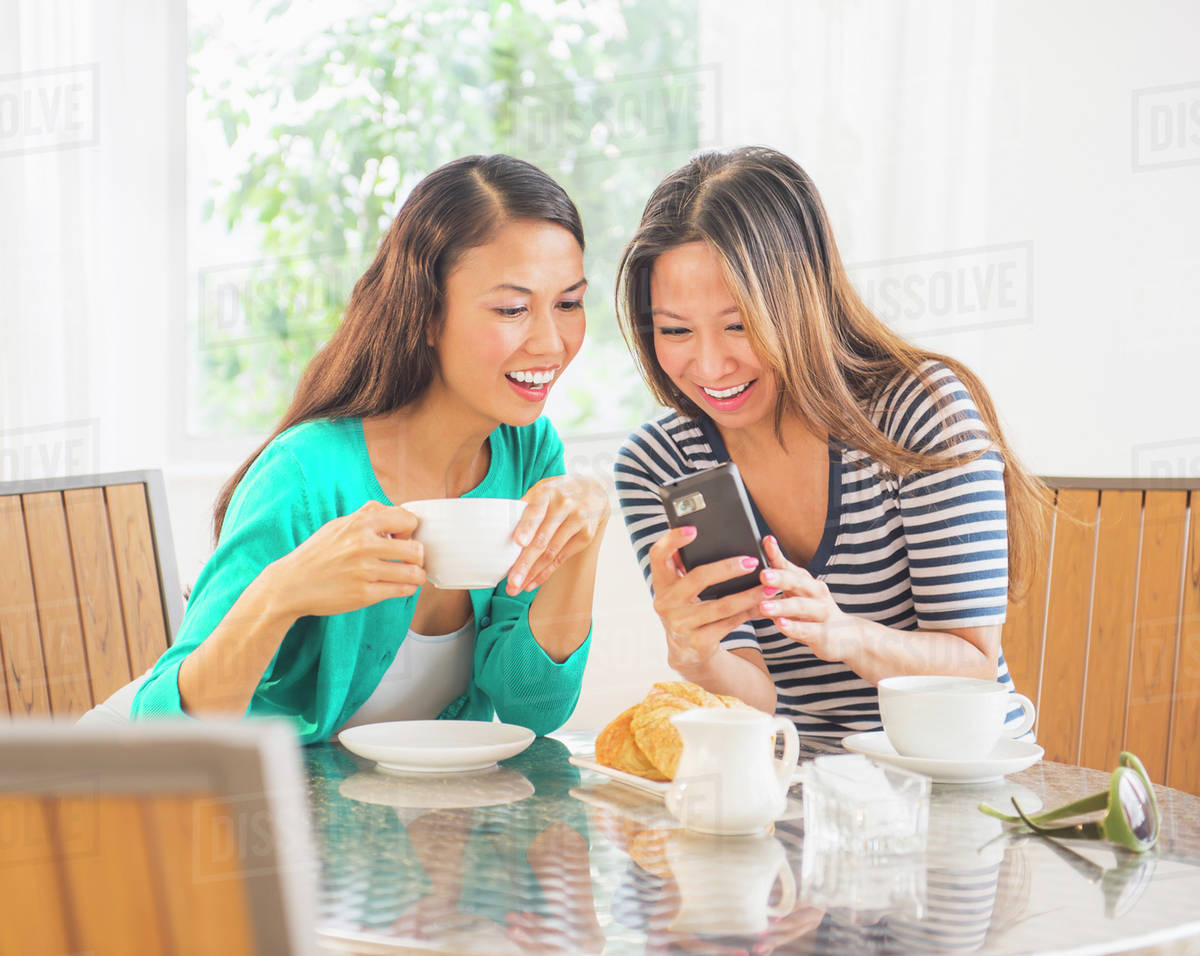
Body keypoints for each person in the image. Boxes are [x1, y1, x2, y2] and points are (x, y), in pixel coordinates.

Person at [130, 155, 608, 743]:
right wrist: (282, 593)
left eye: (568, 303)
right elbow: (157, 730)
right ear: (426, 313)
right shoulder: (305, 473)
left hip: (381, 823)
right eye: (512, 309)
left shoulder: (527, 453)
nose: (551, 341)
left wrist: (584, 540)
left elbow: (533, 708)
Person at [612, 146, 1046, 737]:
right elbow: (756, 699)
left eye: (739, 323)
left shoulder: (918, 413)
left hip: (949, 767)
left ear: (801, 301)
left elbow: (973, 667)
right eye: (675, 330)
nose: (710, 365)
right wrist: (697, 654)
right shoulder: (659, 462)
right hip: (796, 778)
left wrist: (845, 634)